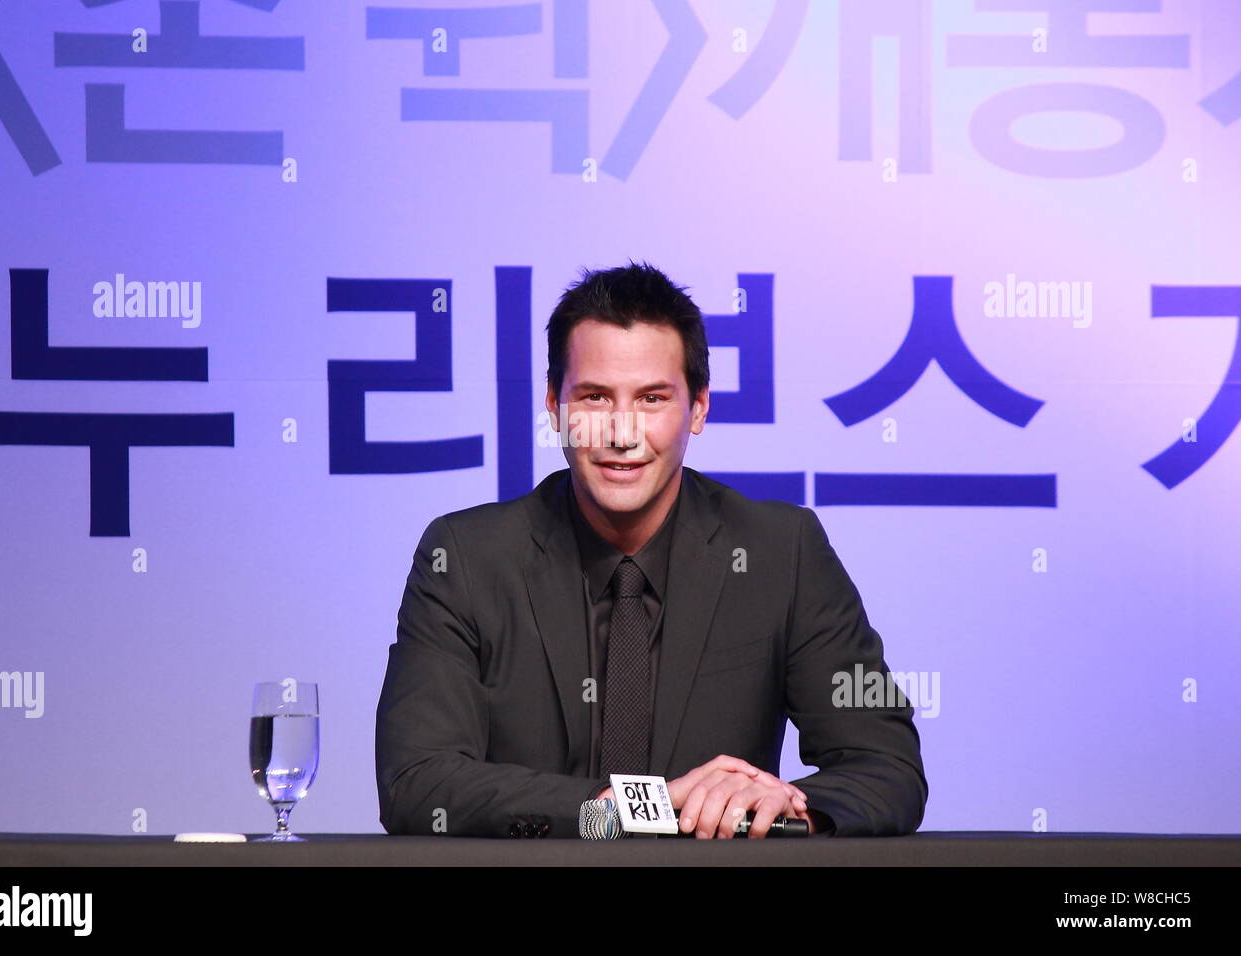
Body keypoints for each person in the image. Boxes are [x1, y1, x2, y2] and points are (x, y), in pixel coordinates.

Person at [376, 261, 927, 838]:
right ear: (553, 407)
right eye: (593, 397)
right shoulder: (466, 558)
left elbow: (887, 769)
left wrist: (783, 805)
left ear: (699, 408)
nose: (622, 432)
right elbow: (417, 782)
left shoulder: (780, 553)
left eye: (652, 399)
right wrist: (633, 808)